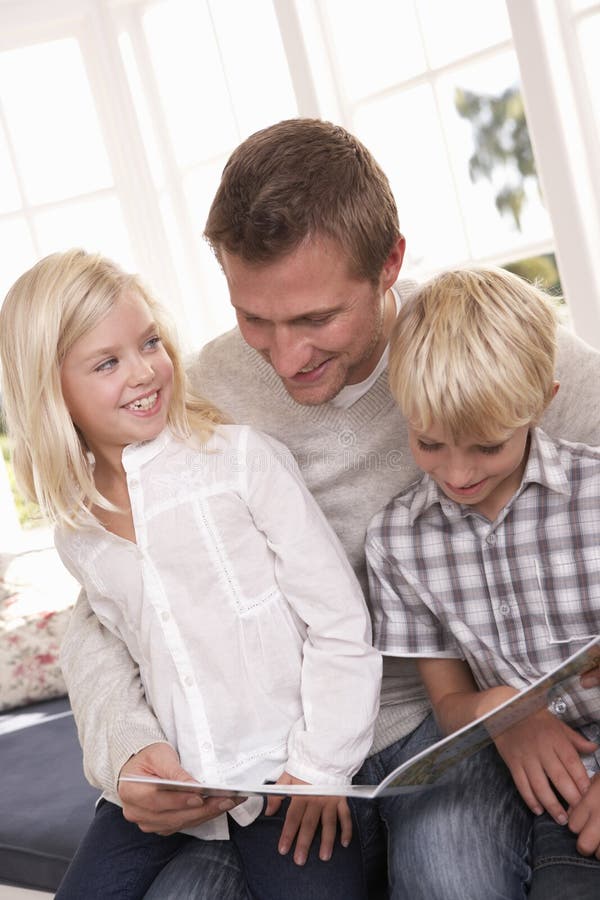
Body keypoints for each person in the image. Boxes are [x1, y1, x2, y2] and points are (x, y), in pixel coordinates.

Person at [56, 119, 600, 899]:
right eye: (255, 318)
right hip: (267, 759)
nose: (285, 358)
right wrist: (126, 747)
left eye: (316, 320)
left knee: (451, 874)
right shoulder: (200, 394)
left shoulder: (480, 351)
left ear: (390, 265)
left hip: (440, 730)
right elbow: (103, 604)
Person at [0, 249, 382, 900]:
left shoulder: (240, 462)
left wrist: (321, 767)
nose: (144, 370)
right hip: (174, 784)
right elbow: (126, 656)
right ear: (50, 390)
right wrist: (132, 757)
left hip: (283, 778)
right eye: (107, 362)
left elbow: (341, 622)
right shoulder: (76, 532)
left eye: (149, 342)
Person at [366, 266, 600, 900]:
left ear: (544, 401)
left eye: (488, 446)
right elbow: (449, 704)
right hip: (531, 764)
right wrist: (497, 709)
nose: (458, 474)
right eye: (429, 443)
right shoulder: (399, 541)